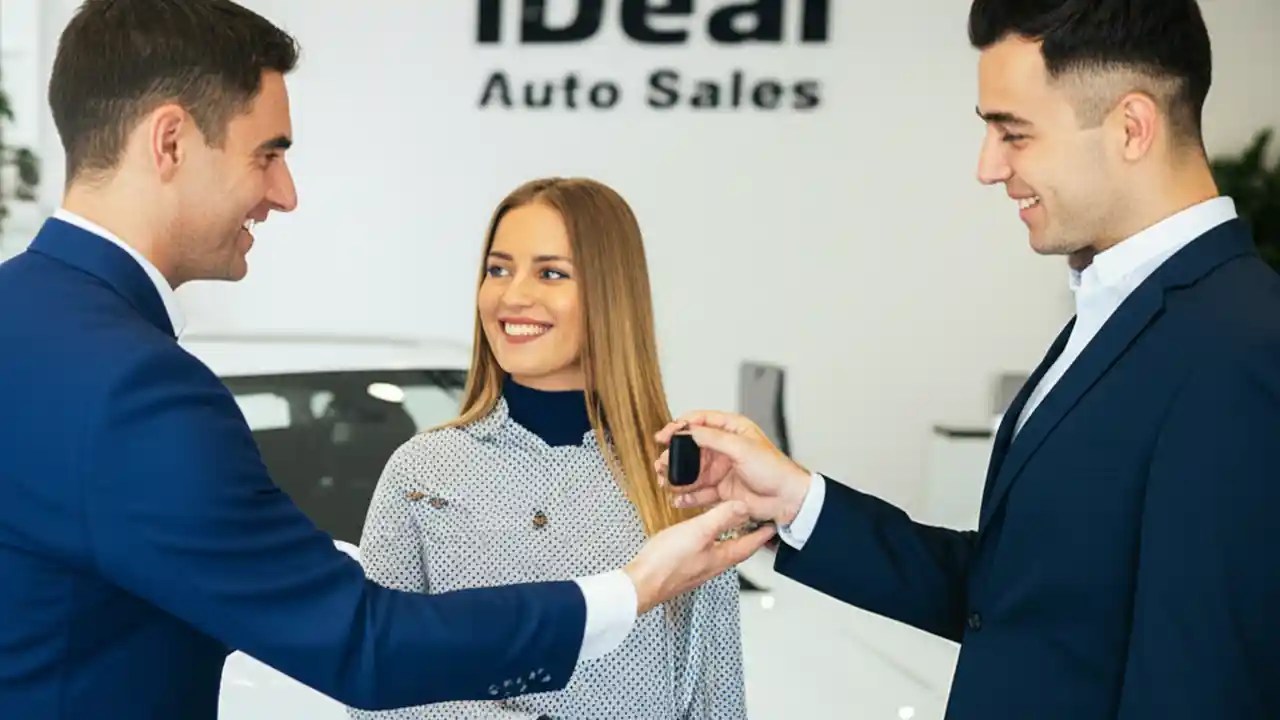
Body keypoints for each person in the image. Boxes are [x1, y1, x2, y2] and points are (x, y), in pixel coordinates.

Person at [0, 2, 773, 719]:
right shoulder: (139, 387)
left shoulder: (27, 322)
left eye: (554, 271)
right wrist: (633, 589)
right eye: (267, 153)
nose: (286, 192)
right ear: (170, 141)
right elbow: (364, 645)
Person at [656, 1, 1280, 718]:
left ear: (1131, 128)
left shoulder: (1243, 349)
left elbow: (1206, 686)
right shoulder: (1123, 309)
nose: (989, 167)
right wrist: (795, 501)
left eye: (1013, 132)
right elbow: (1014, 596)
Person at [348, 177, 748, 719]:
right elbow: (373, 688)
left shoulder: (684, 478)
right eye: (498, 269)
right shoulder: (422, 471)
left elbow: (715, 699)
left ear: (611, 292)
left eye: (551, 273)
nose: (512, 296)